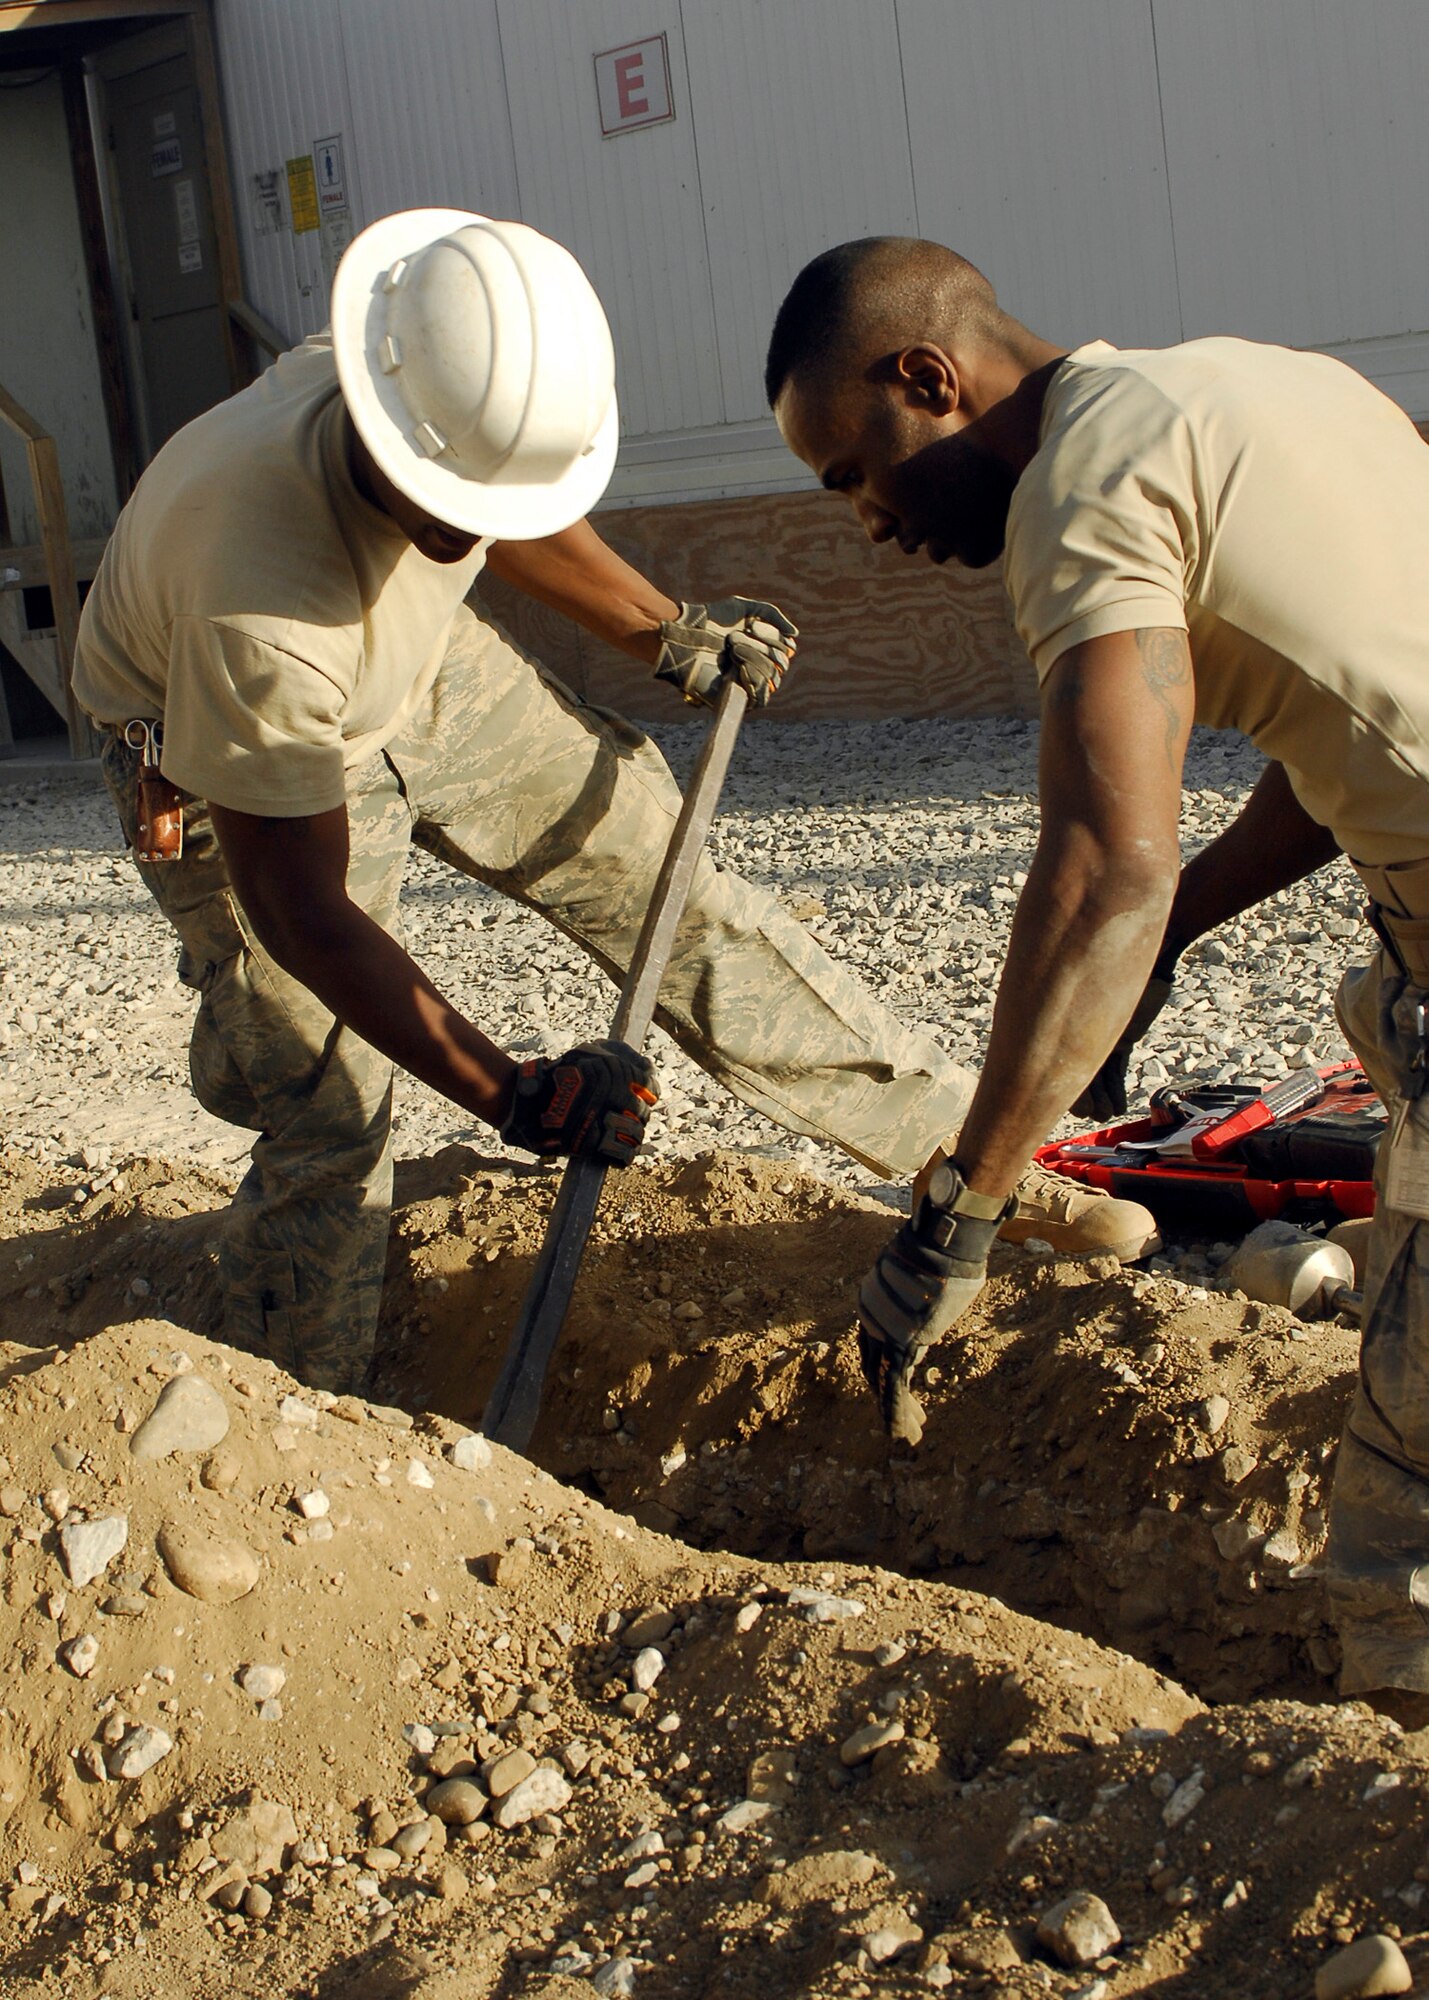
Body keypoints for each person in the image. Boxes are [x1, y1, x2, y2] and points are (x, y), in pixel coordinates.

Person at [73, 210, 1151, 1411]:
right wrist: (514, 1092)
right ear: (391, 434)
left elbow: (510, 501)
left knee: (669, 880)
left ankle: (977, 1162)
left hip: (406, 660)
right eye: (448, 500)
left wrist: (666, 632)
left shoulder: (422, 372)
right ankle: (299, 1436)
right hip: (221, 741)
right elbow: (304, 909)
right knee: (328, 1103)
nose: (470, 527)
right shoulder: (260, 608)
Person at [765, 233, 1429, 1707]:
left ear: (929, 377)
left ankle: (1377, 1852)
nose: (867, 519)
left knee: (1406, 1518)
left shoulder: (1083, 494)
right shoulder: (1266, 388)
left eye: (852, 470)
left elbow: (1094, 878)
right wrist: (1187, 921)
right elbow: (1348, 731)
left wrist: (960, 1209)